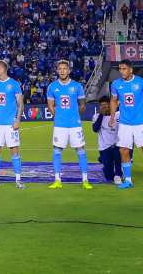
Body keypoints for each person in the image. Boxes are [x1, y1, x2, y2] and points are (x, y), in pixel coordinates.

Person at [109, 59, 143, 190]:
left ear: (130, 70)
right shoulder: (116, 84)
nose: (121, 71)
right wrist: (112, 116)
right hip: (124, 124)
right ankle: (128, 180)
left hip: (140, 123)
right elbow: (113, 100)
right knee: (123, 151)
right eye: (120, 69)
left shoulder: (141, 82)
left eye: (124, 69)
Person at [45, 59, 92, 189]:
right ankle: (57, 180)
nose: (62, 71)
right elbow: (50, 105)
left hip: (75, 125)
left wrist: (75, 115)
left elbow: (82, 104)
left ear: (69, 70)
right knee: (57, 151)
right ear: (57, 71)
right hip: (60, 125)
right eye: (60, 69)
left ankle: (85, 180)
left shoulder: (77, 86)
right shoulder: (52, 87)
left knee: (81, 150)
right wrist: (58, 116)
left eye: (64, 69)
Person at [0, 60, 24, 189]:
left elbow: (20, 104)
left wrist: (18, 119)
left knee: (14, 150)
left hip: (10, 124)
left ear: (2, 69)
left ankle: (18, 180)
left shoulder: (13, 84)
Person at [91, 96, 122, 184]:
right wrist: (101, 114)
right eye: (102, 106)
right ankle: (103, 160)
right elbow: (95, 129)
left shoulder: (118, 115)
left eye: (106, 105)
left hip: (117, 145)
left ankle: (119, 173)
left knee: (120, 153)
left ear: (110, 105)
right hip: (104, 147)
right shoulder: (96, 116)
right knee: (109, 177)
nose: (104, 107)